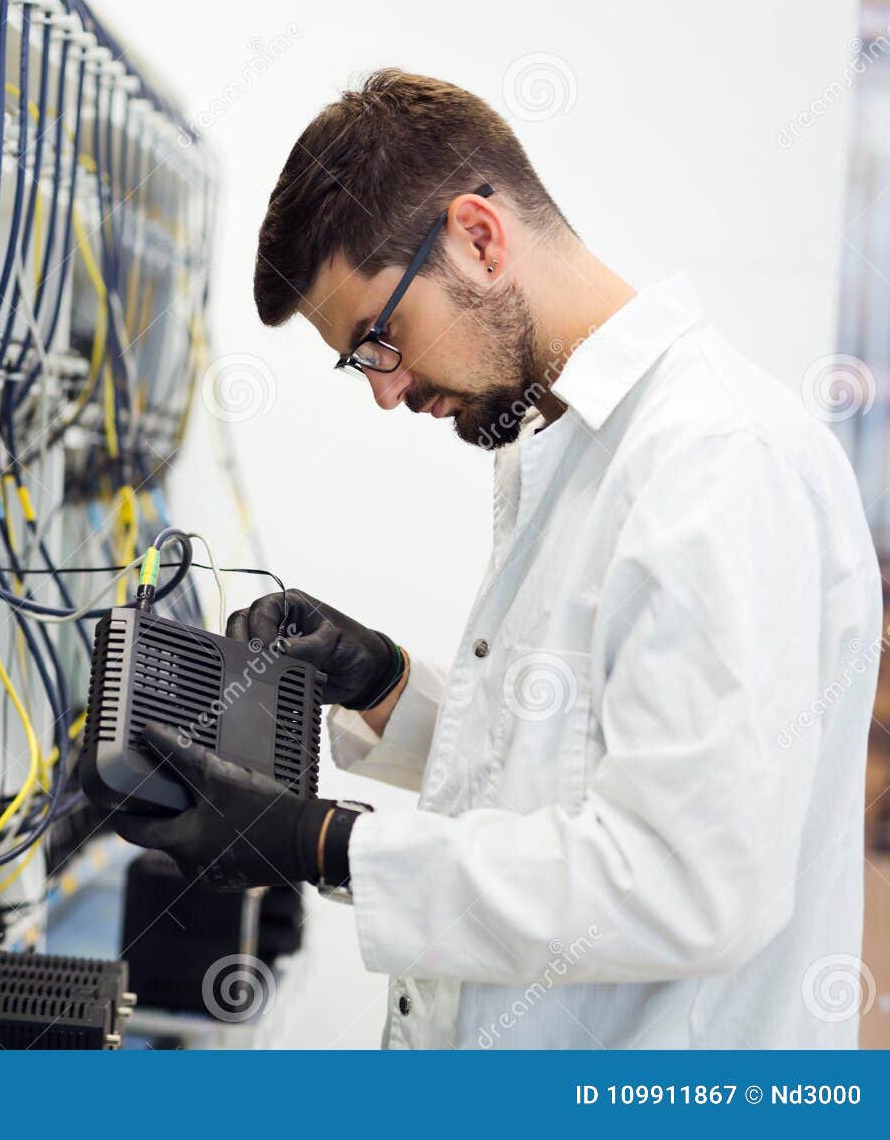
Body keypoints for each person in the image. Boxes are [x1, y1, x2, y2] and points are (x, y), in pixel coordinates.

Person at [107, 69, 882, 1048]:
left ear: (478, 237)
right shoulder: (571, 445)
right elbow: (574, 760)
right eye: (359, 362)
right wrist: (383, 683)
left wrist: (328, 843)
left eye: (379, 340)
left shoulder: (718, 461)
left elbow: (689, 881)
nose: (385, 392)